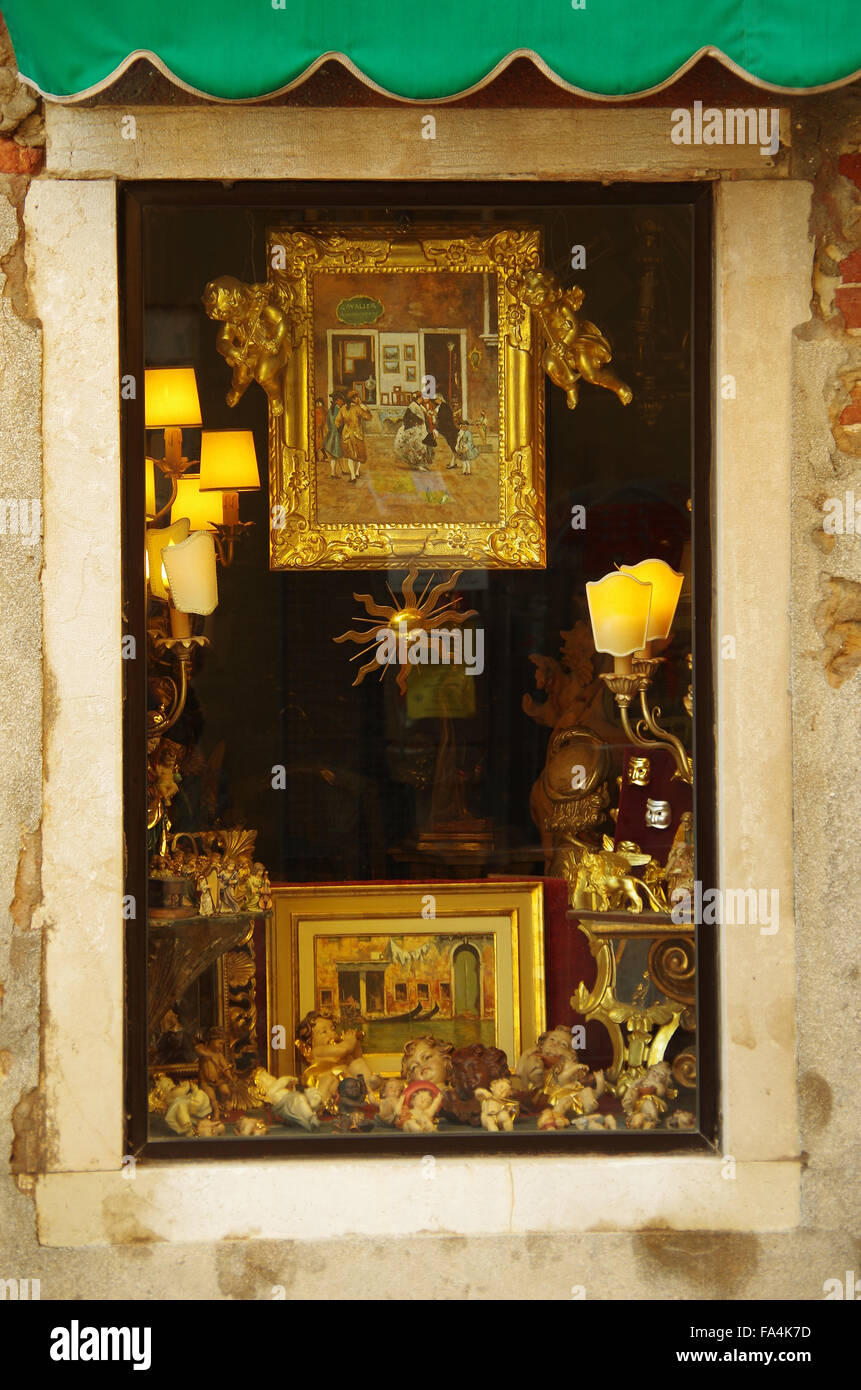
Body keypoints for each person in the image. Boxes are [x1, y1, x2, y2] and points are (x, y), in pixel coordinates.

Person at [336, 389, 372, 482]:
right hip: (357, 435)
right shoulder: (357, 408)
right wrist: (362, 406)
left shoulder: (343, 408)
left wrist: (342, 429)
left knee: (350, 456)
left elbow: (337, 422)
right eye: (357, 397)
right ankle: (356, 472)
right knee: (359, 455)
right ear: (354, 398)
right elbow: (368, 417)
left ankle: (353, 476)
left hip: (346, 435)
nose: (358, 399)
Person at [393, 392, 430, 470]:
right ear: (418, 398)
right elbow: (407, 418)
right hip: (414, 429)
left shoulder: (419, 406)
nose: (423, 399)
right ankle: (418, 464)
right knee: (417, 446)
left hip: (421, 429)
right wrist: (416, 423)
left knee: (423, 446)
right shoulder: (412, 406)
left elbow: (423, 417)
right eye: (421, 397)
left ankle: (421, 464)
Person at [323, 391, 346, 478]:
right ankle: (334, 473)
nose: (342, 402)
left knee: (335, 454)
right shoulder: (338, 411)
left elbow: (328, 423)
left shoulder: (330, 411)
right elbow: (340, 423)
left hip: (331, 434)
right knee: (337, 454)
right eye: (341, 400)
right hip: (337, 435)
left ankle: (340, 470)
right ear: (336, 401)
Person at [435, 393, 458, 463]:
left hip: (448, 428)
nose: (435, 401)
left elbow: (443, 417)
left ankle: (453, 462)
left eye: (436, 399)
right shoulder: (442, 406)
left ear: (439, 399)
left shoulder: (444, 406)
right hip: (446, 428)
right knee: (451, 445)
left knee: (452, 445)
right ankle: (453, 462)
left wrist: (436, 416)